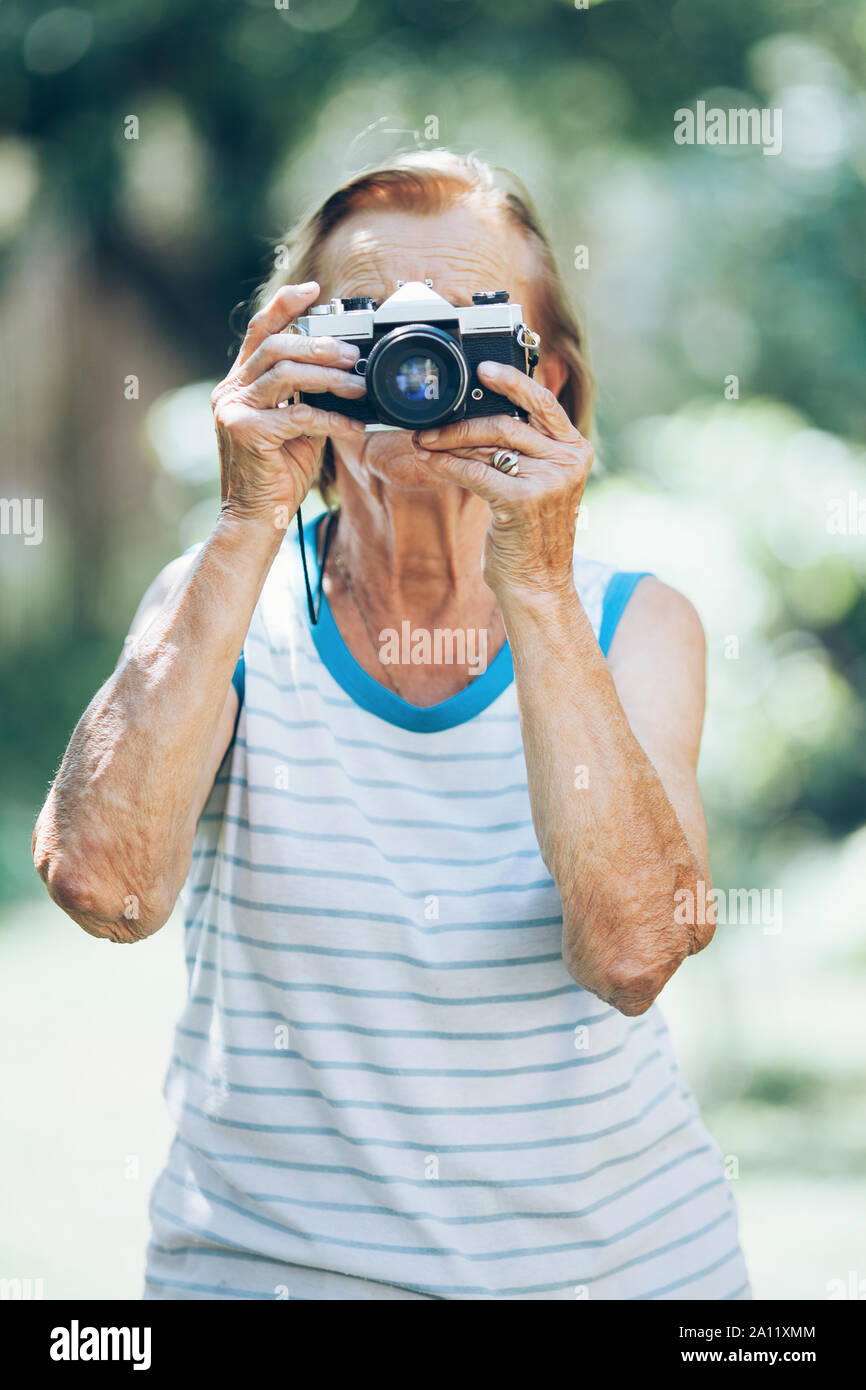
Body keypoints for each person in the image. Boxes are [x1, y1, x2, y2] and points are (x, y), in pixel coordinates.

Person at [32, 150, 751, 1300]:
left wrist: (540, 584)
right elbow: (104, 889)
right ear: (287, 357)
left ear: (547, 376)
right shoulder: (218, 605)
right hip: (268, 1275)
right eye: (361, 322)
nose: (413, 363)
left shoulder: (630, 624)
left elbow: (630, 955)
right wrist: (243, 519)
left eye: (463, 324)